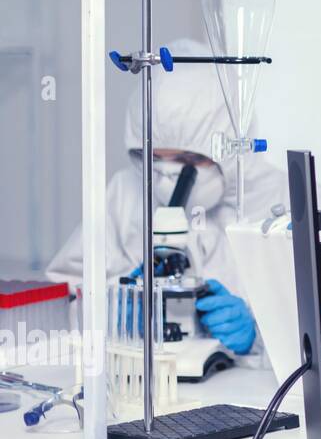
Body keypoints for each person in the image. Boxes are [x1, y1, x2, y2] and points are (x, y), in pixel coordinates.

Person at [46, 38, 288, 357]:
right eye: (155, 159)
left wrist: (255, 336)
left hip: (248, 396)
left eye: (186, 161)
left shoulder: (283, 203)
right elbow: (63, 296)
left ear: (229, 150)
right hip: (147, 387)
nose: (168, 177)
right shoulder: (125, 193)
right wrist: (113, 310)